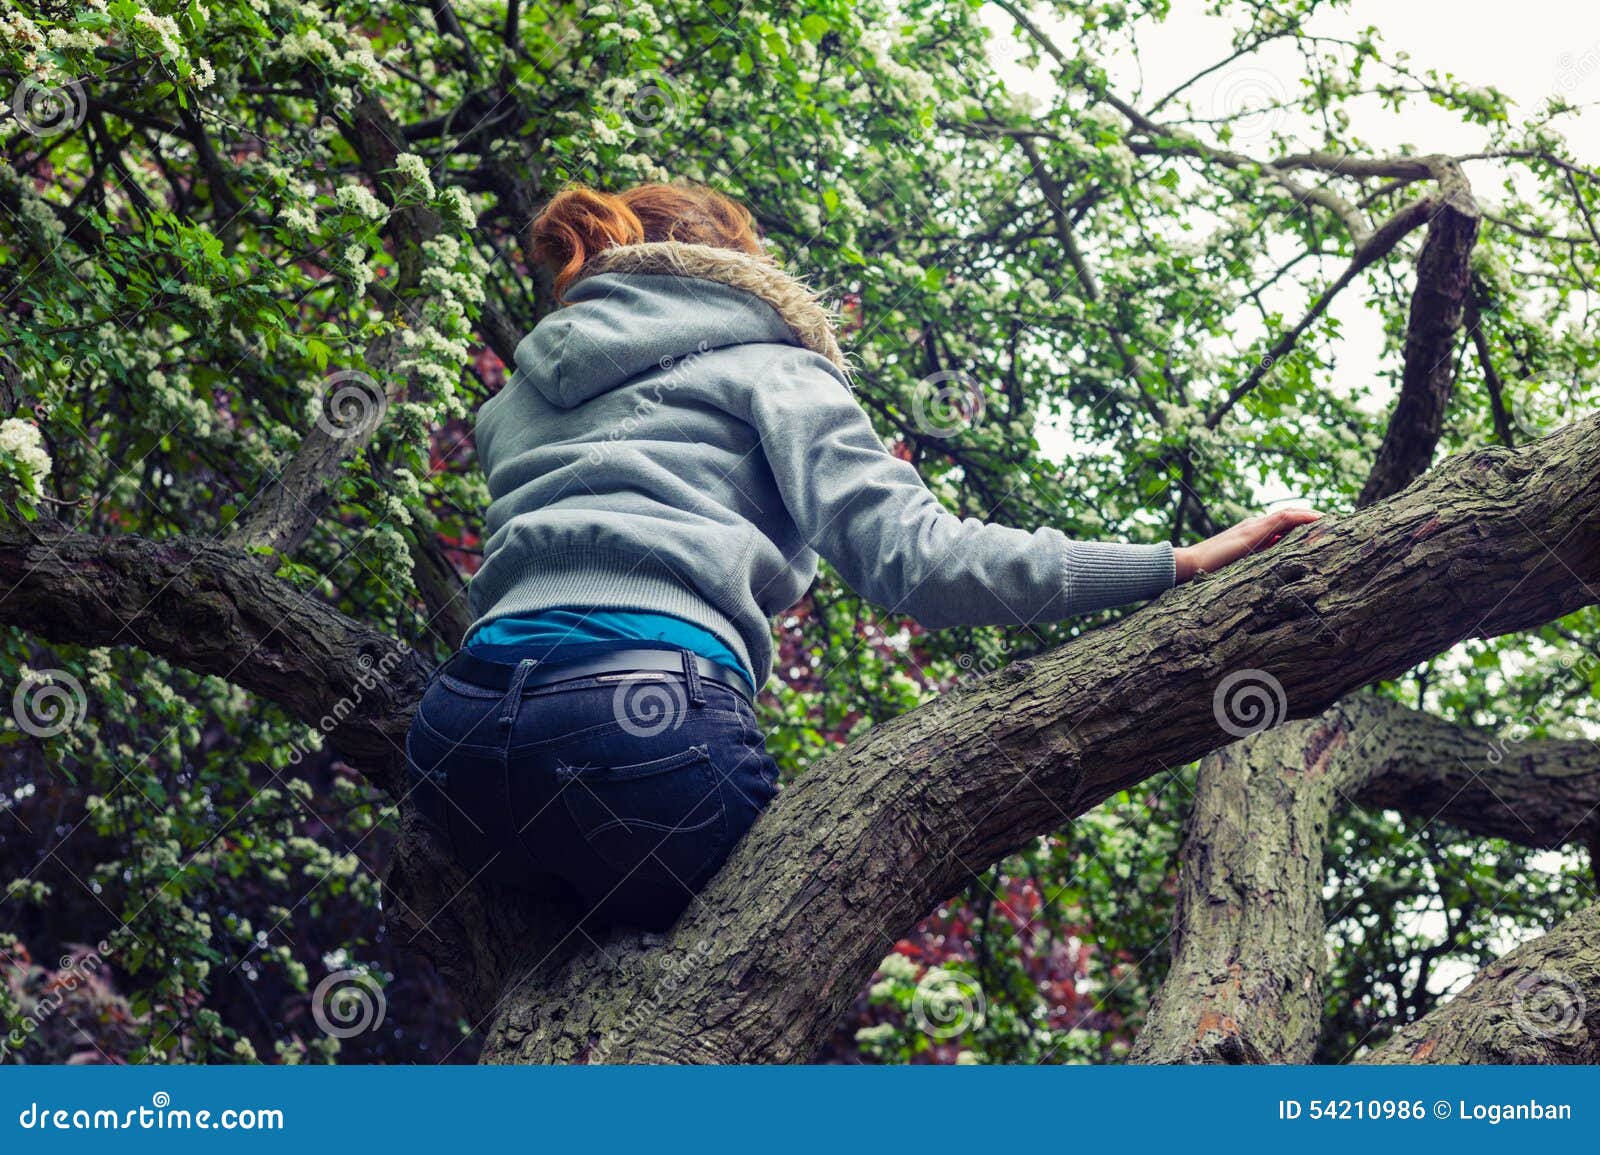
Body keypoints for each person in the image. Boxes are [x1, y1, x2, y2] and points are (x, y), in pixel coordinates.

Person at [404, 182, 1319, 931]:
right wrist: (1179, 562)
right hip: (646, 735)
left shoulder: (517, 396)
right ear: (738, 269)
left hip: (460, 747)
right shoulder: (774, 366)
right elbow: (921, 561)